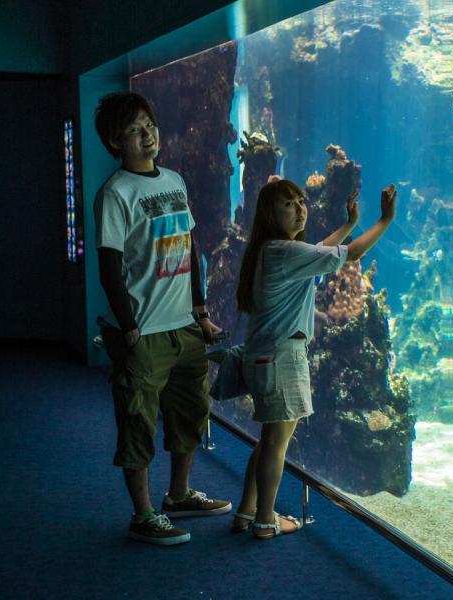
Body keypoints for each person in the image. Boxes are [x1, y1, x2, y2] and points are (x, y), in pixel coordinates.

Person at [93, 92, 231, 546]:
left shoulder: (174, 180)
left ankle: (179, 495)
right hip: (144, 331)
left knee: (190, 412)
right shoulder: (115, 193)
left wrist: (201, 313)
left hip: (185, 326)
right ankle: (143, 515)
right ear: (116, 141)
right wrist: (129, 326)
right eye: (134, 129)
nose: (147, 134)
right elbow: (109, 266)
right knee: (137, 421)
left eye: (149, 124)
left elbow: (190, 248)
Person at [232, 178, 396, 539]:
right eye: (288, 204)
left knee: (269, 439)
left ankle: (247, 510)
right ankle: (265, 520)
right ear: (269, 214)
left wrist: (349, 224)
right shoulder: (284, 251)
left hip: (266, 356)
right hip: (282, 359)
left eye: (301, 201)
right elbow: (351, 254)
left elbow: (321, 250)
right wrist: (385, 220)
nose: (300, 209)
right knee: (277, 443)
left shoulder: (272, 250)